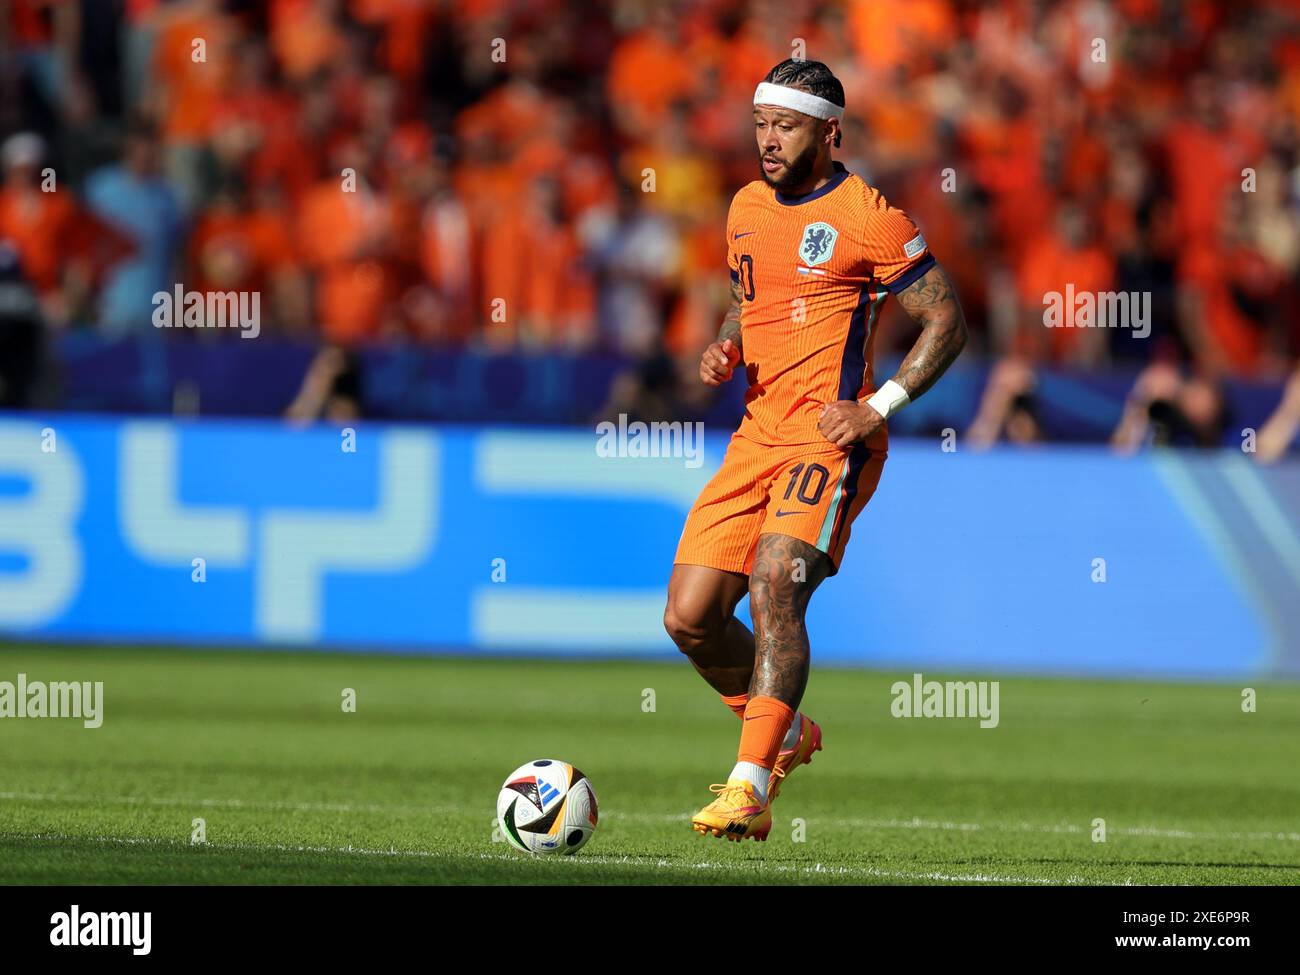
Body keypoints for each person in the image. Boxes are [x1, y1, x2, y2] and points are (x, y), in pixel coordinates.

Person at [663, 59, 968, 841]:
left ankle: (749, 785)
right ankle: (786, 730)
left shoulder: (869, 216)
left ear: (830, 133)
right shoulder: (744, 206)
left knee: (776, 583)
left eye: (786, 126)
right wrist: (728, 345)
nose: (767, 140)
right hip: (754, 433)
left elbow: (947, 321)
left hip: (828, 437)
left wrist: (878, 406)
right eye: (761, 122)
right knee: (690, 617)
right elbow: (748, 297)